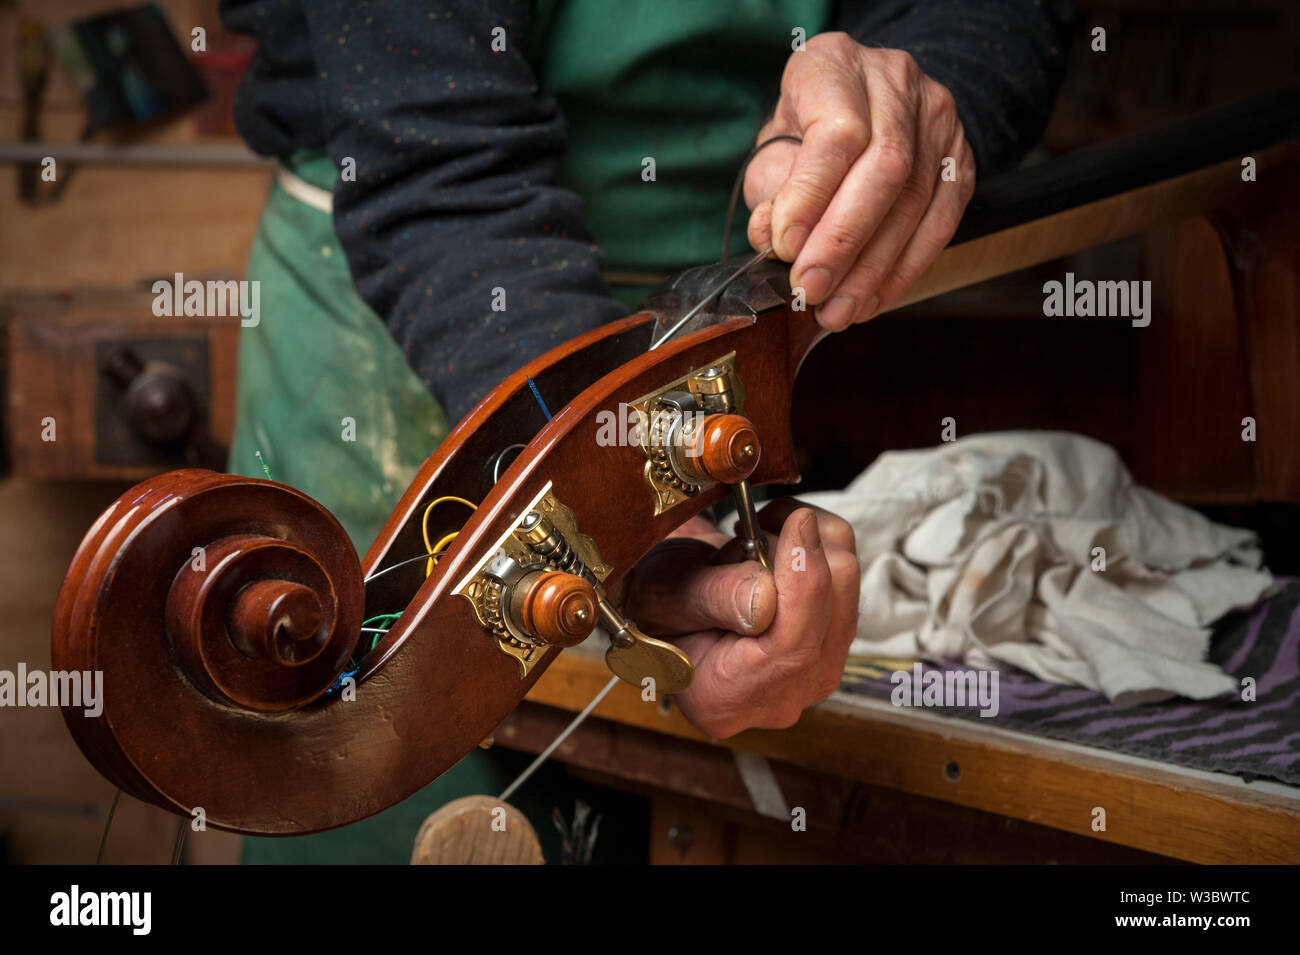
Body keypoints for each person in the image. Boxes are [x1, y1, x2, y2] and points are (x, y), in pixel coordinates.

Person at [220, 0, 1071, 862]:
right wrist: (628, 500)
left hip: (750, 302)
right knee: (364, 754)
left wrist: (900, 122)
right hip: (443, 284)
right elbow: (437, 147)